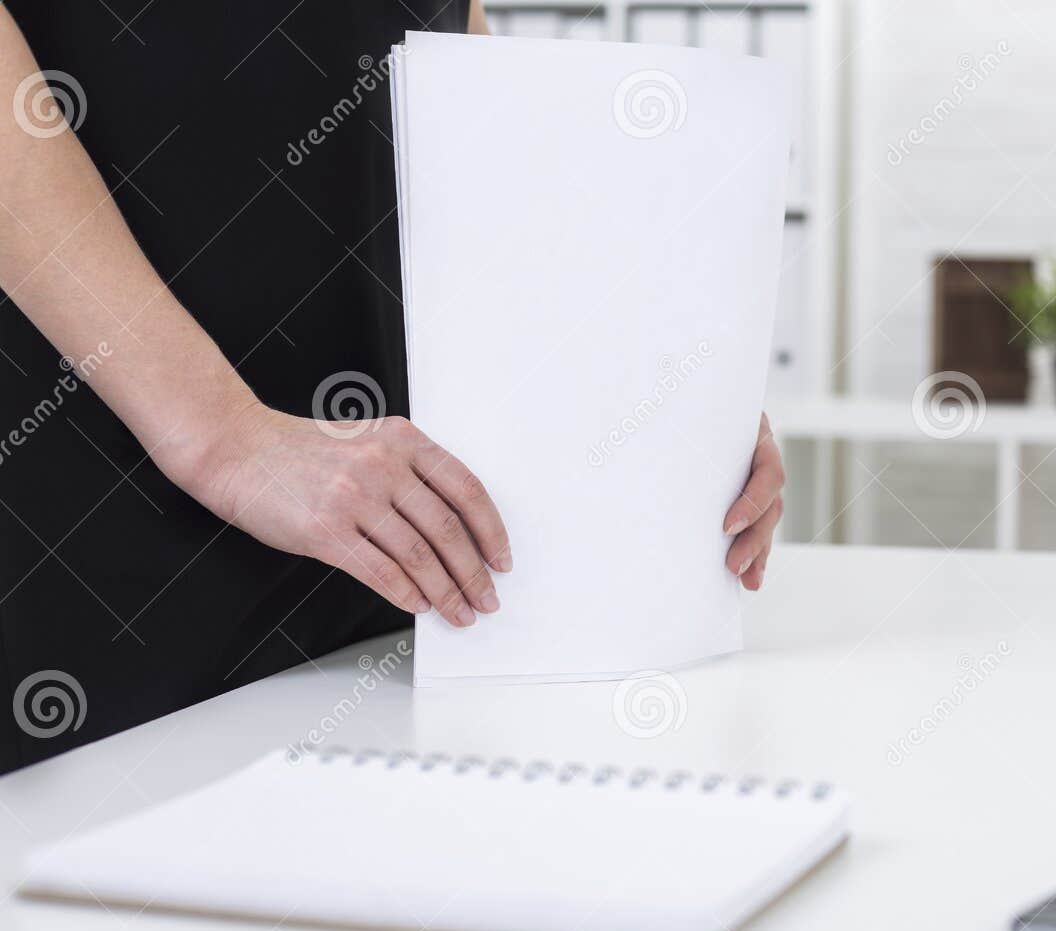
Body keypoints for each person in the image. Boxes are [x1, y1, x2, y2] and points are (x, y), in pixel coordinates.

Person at [0, 1, 785, 772]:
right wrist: (222, 434)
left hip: (382, 557)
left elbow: (460, 63)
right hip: (100, 543)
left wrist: (645, 379)